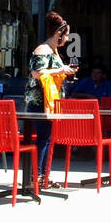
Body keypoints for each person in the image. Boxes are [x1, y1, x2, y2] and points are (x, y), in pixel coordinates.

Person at [25, 11, 78, 187]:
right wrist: (61, 70)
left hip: (50, 102)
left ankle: (43, 176)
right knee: (43, 138)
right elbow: (37, 73)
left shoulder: (53, 51)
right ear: (58, 33)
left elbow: (51, 73)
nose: (68, 38)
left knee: (46, 138)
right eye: (67, 34)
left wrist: (65, 72)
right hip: (40, 102)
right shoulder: (43, 49)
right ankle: (37, 177)